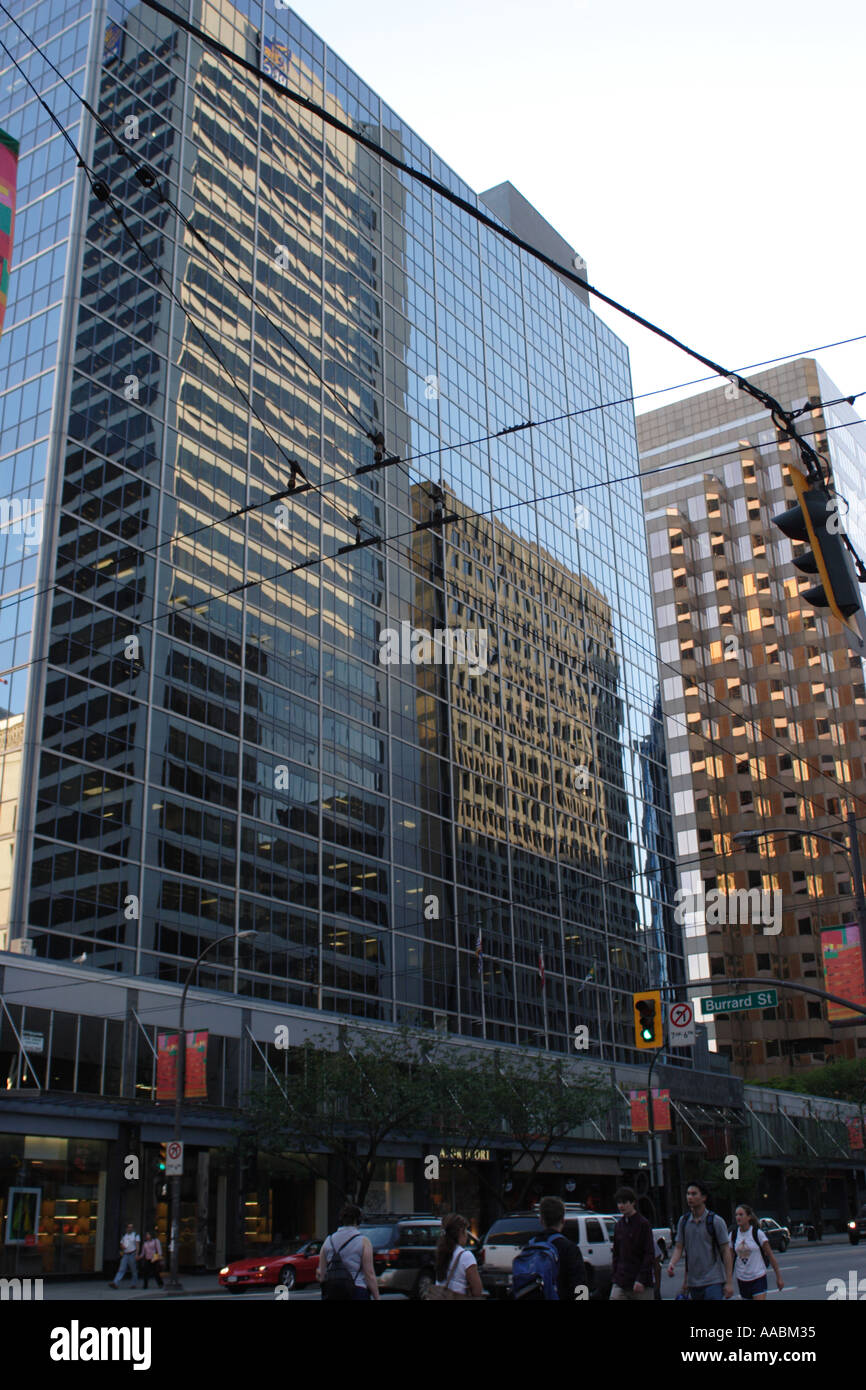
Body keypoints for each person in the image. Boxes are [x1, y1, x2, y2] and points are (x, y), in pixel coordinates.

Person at [667, 1181, 733, 1301]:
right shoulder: (684, 1221)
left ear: (703, 1197)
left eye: (694, 1194)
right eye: (688, 1194)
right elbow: (679, 1247)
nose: (690, 1197)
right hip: (694, 1283)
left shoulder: (715, 1221)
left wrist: (729, 1282)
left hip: (714, 1280)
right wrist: (672, 1263)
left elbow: (726, 1251)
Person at [317, 1203, 379, 1301]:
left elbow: (321, 1274)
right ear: (357, 1220)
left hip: (333, 1292)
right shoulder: (363, 1241)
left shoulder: (328, 1241)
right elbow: (369, 1274)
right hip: (357, 1290)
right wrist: (377, 1297)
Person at [730, 1205, 784, 1301]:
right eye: (736, 1215)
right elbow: (730, 1259)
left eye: (741, 1214)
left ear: (749, 1217)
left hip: (758, 1277)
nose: (738, 1217)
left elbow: (770, 1255)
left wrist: (778, 1277)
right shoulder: (733, 1235)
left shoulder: (757, 1233)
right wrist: (728, 1281)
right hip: (742, 1279)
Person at [610, 1187, 654, 1301]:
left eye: (624, 1202)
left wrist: (641, 1279)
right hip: (621, 1281)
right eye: (619, 1203)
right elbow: (616, 1253)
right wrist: (615, 1275)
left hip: (641, 1283)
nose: (621, 1206)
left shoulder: (643, 1224)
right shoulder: (619, 1225)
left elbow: (649, 1253)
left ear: (633, 1202)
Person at [430, 1212, 483, 1299]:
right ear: (460, 1233)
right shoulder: (466, 1256)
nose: (466, 1236)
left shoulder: (441, 1252)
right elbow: (477, 1290)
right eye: (465, 1231)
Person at [109, 1223, 140, 1288]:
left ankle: (134, 1284)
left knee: (133, 1269)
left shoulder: (136, 1235)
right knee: (121, 1269)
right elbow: (121, 1244)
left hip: (132, 1253)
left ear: (133, 1228)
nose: (130, 1228)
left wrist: (137, 1254)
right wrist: (122, 1247)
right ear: (126, 1228)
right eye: (128, 1227)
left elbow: (137, 1245)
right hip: (125, 1254)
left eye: (131, 1227)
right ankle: (115, 1282)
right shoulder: (124, 1236)